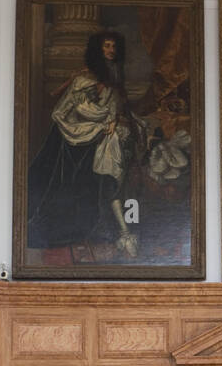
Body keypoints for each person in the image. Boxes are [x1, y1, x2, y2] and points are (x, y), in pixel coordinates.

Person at [26, 31, 145, 257]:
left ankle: (106, 228)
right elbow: (60, 113)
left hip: (97, 140)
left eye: (113, 47)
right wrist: (95, 124)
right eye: (106, 46)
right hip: (73, 142)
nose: (110, 50)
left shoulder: (113, 84)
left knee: (101, 178)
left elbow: (115, 110)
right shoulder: (82, 81)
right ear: (97, 50)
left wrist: (112, 121)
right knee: (69, 188)